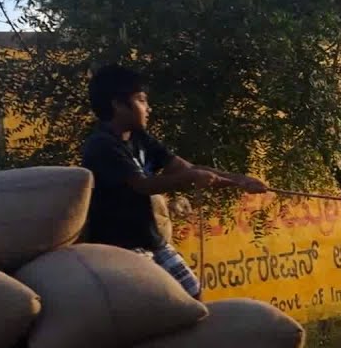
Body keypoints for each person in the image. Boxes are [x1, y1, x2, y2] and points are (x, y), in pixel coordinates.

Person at [81, 64, 267, 299]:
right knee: (168, 302)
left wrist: (240, 181)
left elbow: (185, 168)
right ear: (118, 104)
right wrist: (190, 179)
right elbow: (142, 186)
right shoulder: (102, 145)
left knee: (193, 295)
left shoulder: (140, 138)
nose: (148, 108)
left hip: (152, 241)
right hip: (120, 246)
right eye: (141, 100)